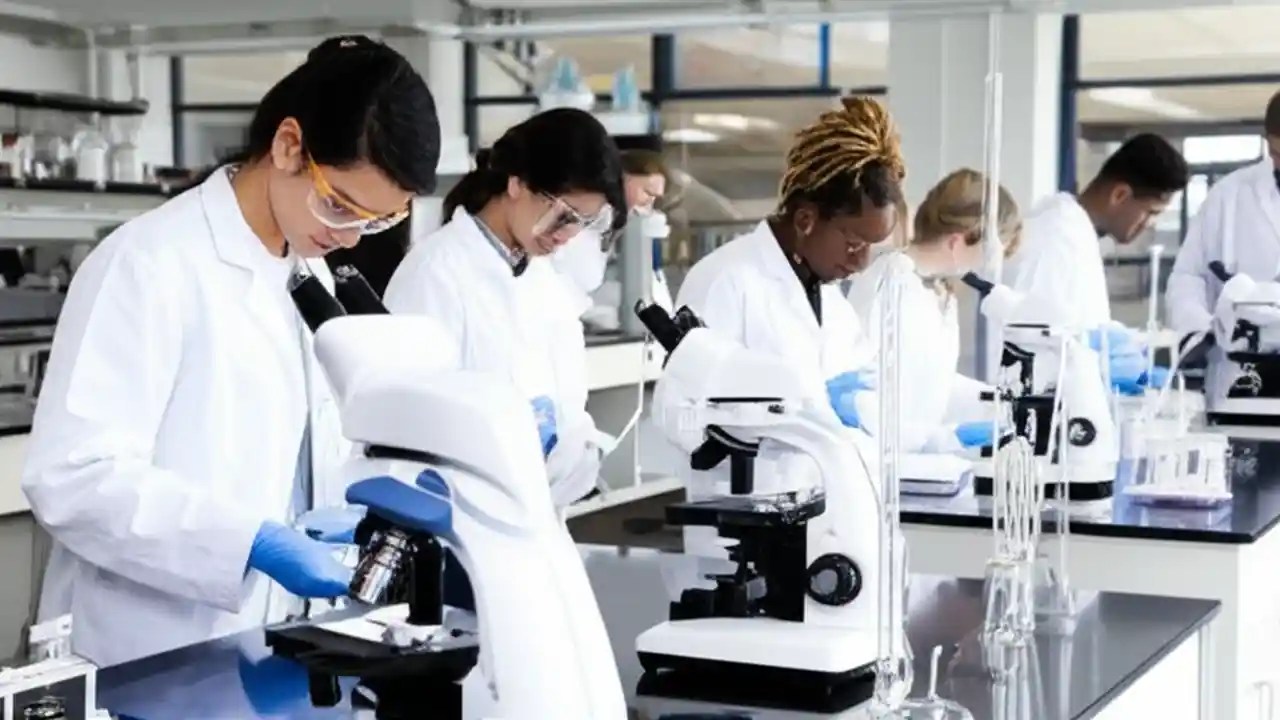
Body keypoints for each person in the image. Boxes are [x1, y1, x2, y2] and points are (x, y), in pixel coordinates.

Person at [21, 35, 440, 667]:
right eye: (339, 205)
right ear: (288, 146)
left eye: (374, 222)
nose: (349, 237)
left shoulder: (308, 269)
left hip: (272, 641)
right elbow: (73, 478)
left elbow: (294, 447)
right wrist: (247, 542)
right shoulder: (150, 263)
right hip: (150, 646)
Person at [383, 108, 626, 509]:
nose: (566, 236)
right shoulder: (435, 275)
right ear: (517, 183)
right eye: (562, 216)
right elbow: (408, 432)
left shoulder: (544, 280)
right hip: (458, 525)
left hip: (533, 520)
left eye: (583, 222)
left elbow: (568, 408)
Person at [673, 95, 905, 430]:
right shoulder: (725, 280)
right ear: (806, 220)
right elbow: (683, 418)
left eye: (871, 247)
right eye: (854, 244)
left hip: (825, 481)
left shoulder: (829, 298)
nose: (862, 263)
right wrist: (797, 404)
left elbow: (864, 388)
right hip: (748, 483)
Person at [846, 168, 1022, 452]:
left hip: (921, 470)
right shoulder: (889, 286)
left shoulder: (939, 291)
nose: (984, 268)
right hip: (884, 468)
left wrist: (997, 401)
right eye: (987, 253)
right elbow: (867, 407)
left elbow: (933, 383)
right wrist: (943, 440)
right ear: (958, 240)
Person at [1006, 133, 1188, 332]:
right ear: (1120, 195)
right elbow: (1030, 337)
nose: (1150, 224)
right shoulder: (1054, 237)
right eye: (1150, 212)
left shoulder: (1079, 234)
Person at [1168, 91, 1280, 396]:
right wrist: (1201, 330)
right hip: (1237, 376)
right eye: (1278, 154)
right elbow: (1188, 275)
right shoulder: (1229, 195)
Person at [550, 148, 668, 315]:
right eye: (647, 192)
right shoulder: (582, 220)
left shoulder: (612, 230)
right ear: (620, 178)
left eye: (655, 198)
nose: (649, 204)